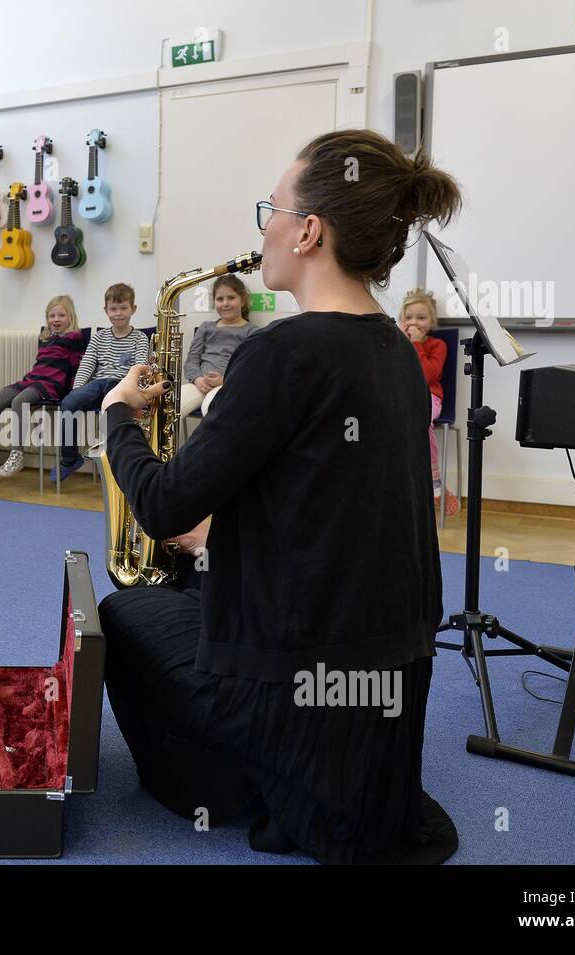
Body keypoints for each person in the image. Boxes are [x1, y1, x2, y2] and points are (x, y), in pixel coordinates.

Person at [97, 128, 460, 864]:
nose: (262, 225)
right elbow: (333, 513)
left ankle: (236, 780)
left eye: (272, 207)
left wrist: (117, 420)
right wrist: (222, 539)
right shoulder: (393, 348)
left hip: (302, 696)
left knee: (123, 611)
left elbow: (164, 505)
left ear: (309, 231)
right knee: (193, 585)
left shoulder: (282, 352)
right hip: (383, 690)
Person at [0, 295, 88, 480]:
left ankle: (17, 455)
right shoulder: (45, 337)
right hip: (32, 380)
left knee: (20, 401)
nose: (56, 320)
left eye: (61, 315)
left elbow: (77, 367)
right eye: (52, 316)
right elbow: (40, 365)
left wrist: (73, 392)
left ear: (71, 317)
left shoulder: (74, 338)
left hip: (50, 385)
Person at [52, 283, 148, 482]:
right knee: (68, 403)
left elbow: (140, 369)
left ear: (133, 309)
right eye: (113, 309)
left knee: (114, 412)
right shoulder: (99, 337)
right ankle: (69, 459)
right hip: (98, 384)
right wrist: (77, 391)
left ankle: (116, 464)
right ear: (106, 310)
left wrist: (128, 391)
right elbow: (86, 366)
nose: (118, 313)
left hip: (122, 385)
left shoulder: (140, 338)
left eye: (123, 308)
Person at [399, 287, 457, 517]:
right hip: (404, 397)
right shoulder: (397, 341)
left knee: (419, 418)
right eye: (409, 317)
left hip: (429, 398)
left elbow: (428, 375)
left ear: (432, 321)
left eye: (421, 318)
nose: (414, 323)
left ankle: (434, 484)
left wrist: (416, 344)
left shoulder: (436, 346)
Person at [179, 274, 255, 423]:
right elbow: (191, 361)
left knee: (212, 409)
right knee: (173, 406)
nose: (225, 303)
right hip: (199, 384)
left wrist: (224, 381)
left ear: (243, 300)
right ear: (214, 302)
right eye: (220, 299)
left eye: (231, 298)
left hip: (228, 387)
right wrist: (198, 379)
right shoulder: (206, 327)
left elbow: (249, 369)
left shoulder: (252, 332)